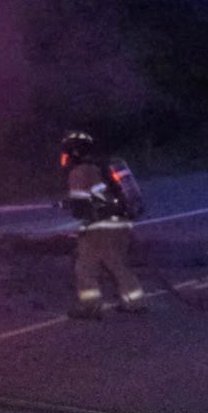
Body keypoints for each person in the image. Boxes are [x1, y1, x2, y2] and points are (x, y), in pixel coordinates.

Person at [62, 130, 146, 318]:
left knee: (84, 267)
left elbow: (81, 207)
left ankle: (90, 307)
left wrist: (71, 205)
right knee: (117, 264)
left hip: (100, 228)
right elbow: (99, 194)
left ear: (73, 152)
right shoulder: (100, 167)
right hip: (121, 223)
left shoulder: (79, 171)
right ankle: (136, 302)